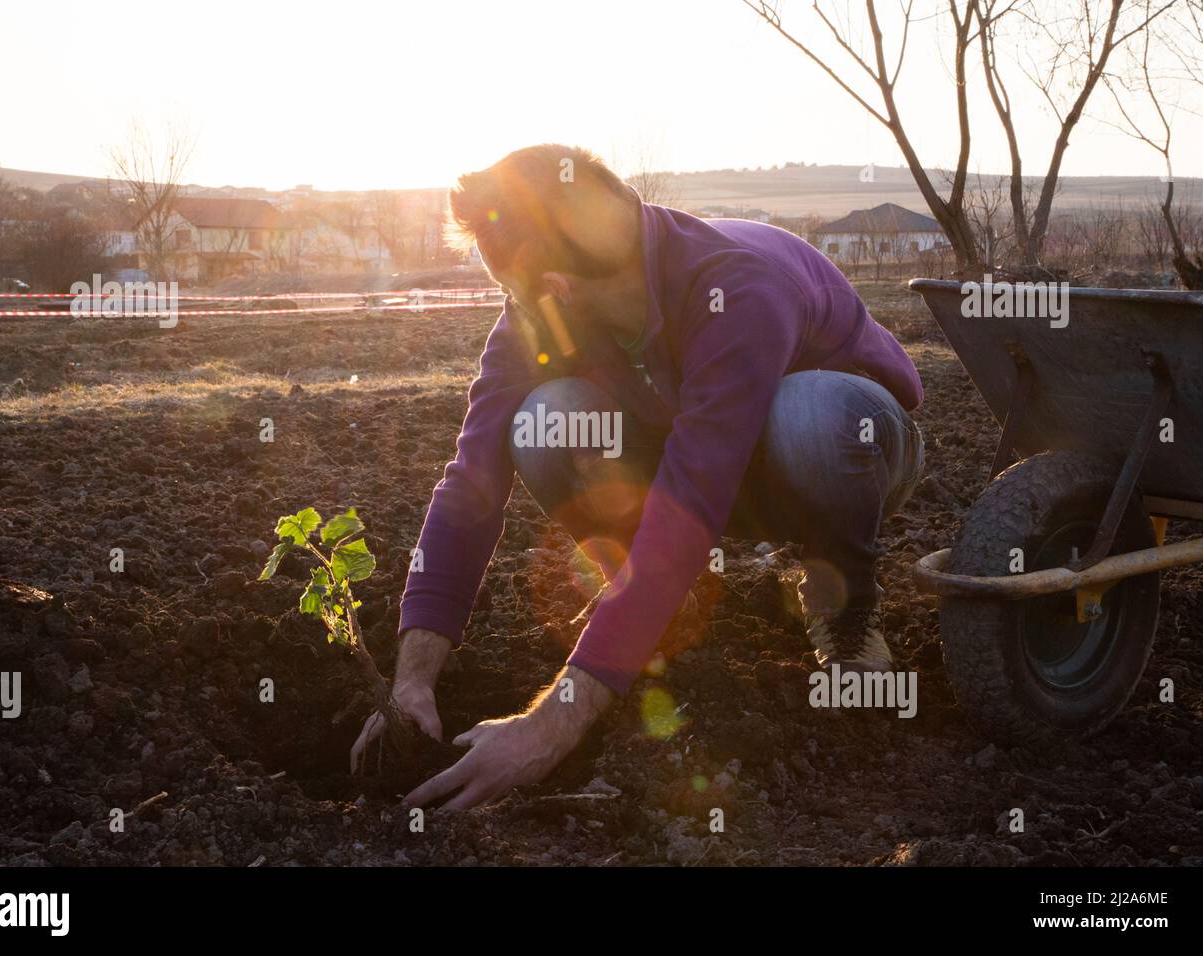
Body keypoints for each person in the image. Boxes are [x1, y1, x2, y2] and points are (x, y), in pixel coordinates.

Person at [351, 145, 924, 810]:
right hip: (698, 451)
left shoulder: (736, 286)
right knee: (548, 418)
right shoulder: (540, 315)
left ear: (557, 289)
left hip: (847, 453)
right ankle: (658, 601)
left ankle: (840, 605)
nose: (518, 306)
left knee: (811, 416)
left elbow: (692, 499)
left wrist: (551, 726)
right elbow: (469, 482)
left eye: (518, 293)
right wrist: (412, 682)